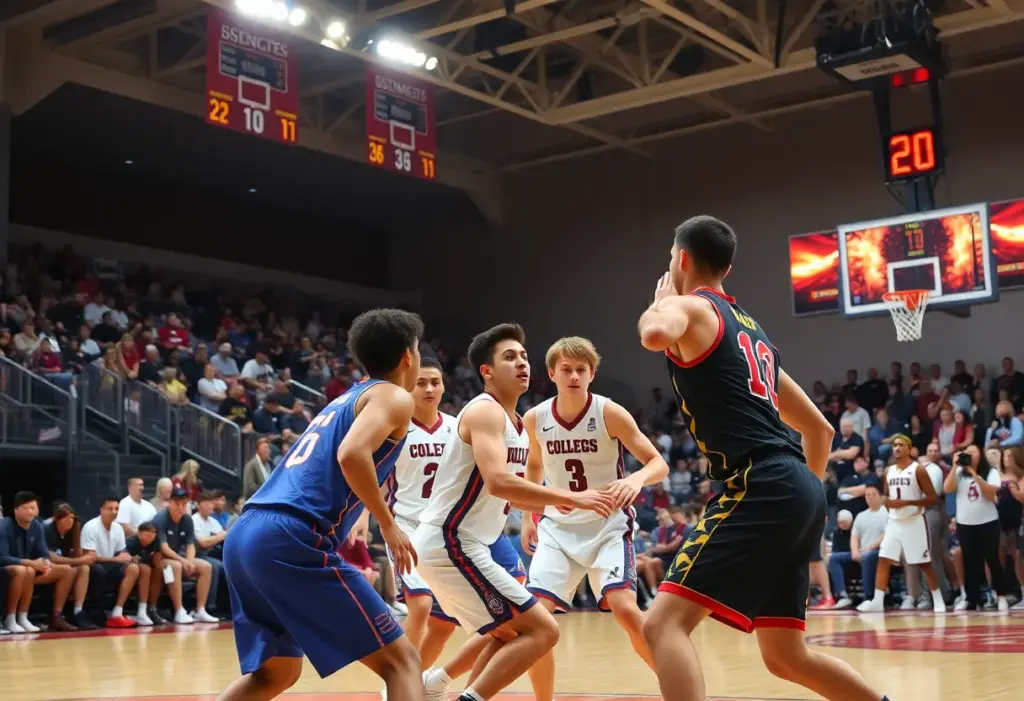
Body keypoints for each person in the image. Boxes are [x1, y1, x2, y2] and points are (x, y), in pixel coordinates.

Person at [635, 216, 889, 701]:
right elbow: (820, 429)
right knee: (786, 656)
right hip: (799, 487)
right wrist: (803, 501)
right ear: (727, 268)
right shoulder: (753, 335)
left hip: (759, 480)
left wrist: (660, 303)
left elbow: (653, 335)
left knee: (662, 624)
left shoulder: (689, 307)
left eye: (671, 258)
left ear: (682, 259)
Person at [215, 309, 426, 701]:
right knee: (403, 661)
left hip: (246, 534)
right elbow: (351, 454)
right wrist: (387, 523)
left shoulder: (347, 398)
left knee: (275, 674)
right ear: (407, 357)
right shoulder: (394, 396)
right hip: (290, 536)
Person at [413, 323, 617, 701]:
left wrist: (553, 507)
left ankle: (434, 685)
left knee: (508, 632)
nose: (522, 363)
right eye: (510, 357)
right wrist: (574, 497)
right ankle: (437, 687)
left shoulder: (518, 425)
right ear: (487, 372)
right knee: (543, 630)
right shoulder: (485, 411)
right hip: (450, 541)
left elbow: (513, 497)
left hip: (464, 543)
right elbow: (498, 483)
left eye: (523, 356)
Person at [520, 336, 669, 701]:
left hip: (608, 527)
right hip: (557, 530)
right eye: (566, 369)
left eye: (581, 370)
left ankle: (677, 689)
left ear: (592, 374)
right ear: (552, 373)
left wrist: (635, 479)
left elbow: (658, 464)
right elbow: (533, 467)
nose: (574, 376)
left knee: (625, 610)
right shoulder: (535, 417)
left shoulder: (609, 412)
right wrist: (528, 517)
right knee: (536, 622)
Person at [385, 356, 532, 689]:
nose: (429, 389)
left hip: (464, 524)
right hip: (412, 527)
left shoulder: (459, 424)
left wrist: (533, 512)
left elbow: (500, 476)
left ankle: (434, 684)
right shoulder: (396, 428)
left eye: (435, 382)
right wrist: (368, 518)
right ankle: (399, 685)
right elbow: (373, 477)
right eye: (421, 383)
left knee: (450, 623)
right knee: (422, 606)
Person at [856, 435, 945, 613]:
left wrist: (907, 503)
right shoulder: (888, 471)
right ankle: (877, 601)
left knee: (924, 563)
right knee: (883, 560)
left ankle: (938, 599)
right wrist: (887, 502)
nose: (896, 448)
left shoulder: (918, 470)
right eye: (895, 445)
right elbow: (887, 496)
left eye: (901, 445)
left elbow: (932, 498)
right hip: (895, 522)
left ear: (909, 449)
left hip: (914, 521)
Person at [943, 445, 1009, 611]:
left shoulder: (991, 472)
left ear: (980, 455)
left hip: (988, 521)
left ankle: (1001, 595)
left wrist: (974, 474)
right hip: (965, 522)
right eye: (967, 452)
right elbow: (947, 488)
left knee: (992, 558)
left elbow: (990, 493)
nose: (970, 455)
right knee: (969, 561)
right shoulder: (959, 472)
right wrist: (954, 467)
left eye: (973, 452)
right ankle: (972, 598)